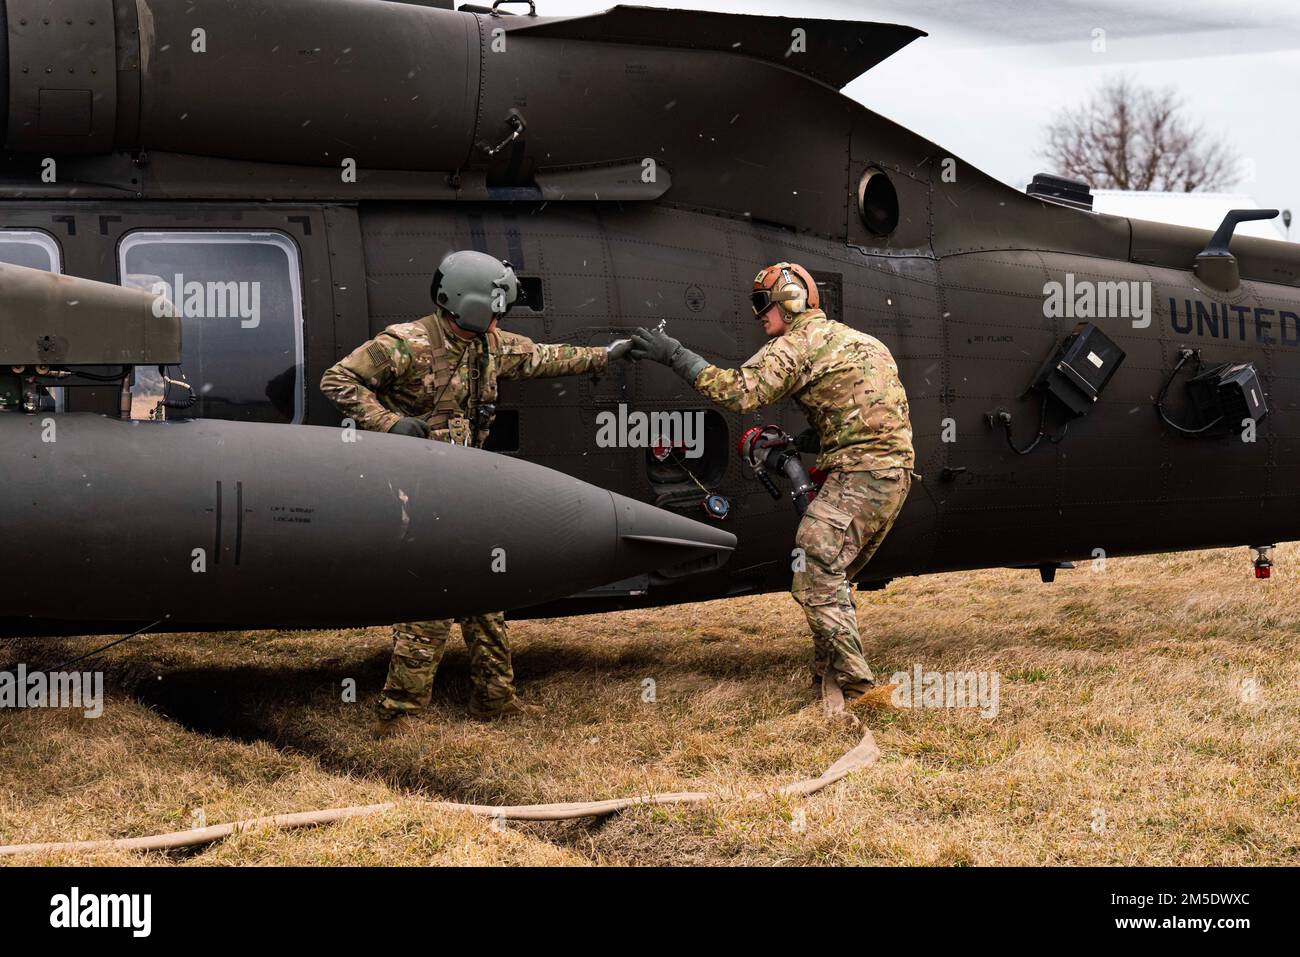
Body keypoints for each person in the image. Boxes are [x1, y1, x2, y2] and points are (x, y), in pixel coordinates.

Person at [321, 250, 632, 727]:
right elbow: (338, 379)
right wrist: (389, 423)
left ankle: (494, 698)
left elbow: (543, 358)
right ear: (466, 302)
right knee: (432, 597)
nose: (498, 318)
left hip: (468, 484)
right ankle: (399, 715)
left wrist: (605, 356)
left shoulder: (490, 344)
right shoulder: (403, 344)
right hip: (418, 490)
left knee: (486, 586)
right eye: (494, 307)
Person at [629, 262, 913, 706]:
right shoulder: (860, 341)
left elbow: (738, 392)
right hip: (893, 476)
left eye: (762, 303)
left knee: (814, 569)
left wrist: (674, 355)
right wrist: (805, 441)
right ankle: (828, 680)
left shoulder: (795, 345)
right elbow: (869, 409)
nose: (758, 315)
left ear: (790, 302)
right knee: (829, 578)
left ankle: (859, 692)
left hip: (861, 472)